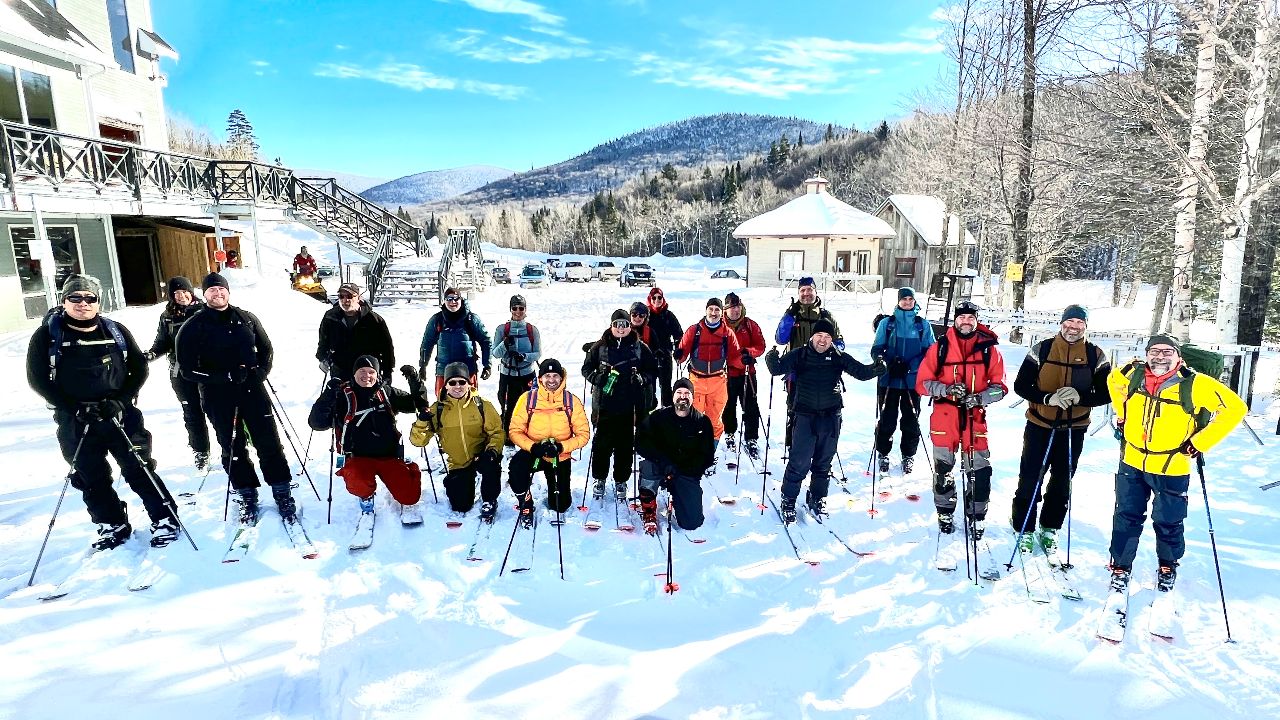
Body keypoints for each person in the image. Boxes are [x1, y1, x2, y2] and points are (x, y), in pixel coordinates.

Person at [26, 274, 182, 549]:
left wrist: (120, 401)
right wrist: (73, 408)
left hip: (119, 415)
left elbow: (139, 368)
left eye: (90, 298)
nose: (83, 303)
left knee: (139, 468)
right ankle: (112, 524)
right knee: (90, 475)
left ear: (98, 302)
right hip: (75, 419)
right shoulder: (48, 335)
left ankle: (165, 518)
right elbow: (38, 379)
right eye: (75, 297)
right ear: (64, 301)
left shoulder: (114, 331)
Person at [1106, 335, 1245, 592]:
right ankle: (1121, 565)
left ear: (1178, 356)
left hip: (1172, 465)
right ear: (1147, 353)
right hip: (1132, 460)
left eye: (1167, 352)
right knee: (1126, 516)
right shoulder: (1133, 373)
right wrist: (1123, 415)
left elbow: (1235, 409)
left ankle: (1168, 565)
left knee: (1168, 520)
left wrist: (1201, 442)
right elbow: (1113, 381)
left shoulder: (1197, 384)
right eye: (1154, 351)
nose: (1160, 356)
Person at [175, 272, 300, 526]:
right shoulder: (193, 325)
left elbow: (266, 349)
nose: (217, 294)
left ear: (228, 292)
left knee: (269, 442)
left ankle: (281, 490)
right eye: (212, 291)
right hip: (218, 395)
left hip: (253, 390)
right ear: (205, 294)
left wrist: (261, 372)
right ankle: (246, 494)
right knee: (232, 446)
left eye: (221, 290)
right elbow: (186, 369)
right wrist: (224, 377)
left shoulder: (246, 318)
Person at [1010, 304, 1110, 555]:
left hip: (1073, 428)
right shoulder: (1041, 349)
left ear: (1085, 326)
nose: (1073, 328)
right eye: (1069, 322)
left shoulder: (1096, 355)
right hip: (1039, 424)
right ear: (1062, 323)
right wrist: (1047, 399)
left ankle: (1050, 527)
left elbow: (1107, 393)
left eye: (1079, 324)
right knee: (1031, 477)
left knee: (1062, 481)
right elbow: (1021, 386)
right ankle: (1023, 526)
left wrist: (1080, 396)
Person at [765, 318, 883, 523]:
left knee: (823, 463)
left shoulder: (837, 356)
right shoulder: (800, 355)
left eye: (828, 337)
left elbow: (861, 372)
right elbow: (776, 369)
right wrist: (771, 357)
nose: (823, 340)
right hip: (804, 416)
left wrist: (877, 368)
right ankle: (789, 499)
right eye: (819, 335)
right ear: (812, 336)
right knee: (799, 462)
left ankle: (817, 497)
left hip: (831, 417)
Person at [914, 301, 1008, 541]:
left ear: (976, 320)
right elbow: (922, 383)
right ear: (955, 320)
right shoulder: (940, 348)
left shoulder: (990, 350)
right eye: (962, 317)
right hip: (945, 417)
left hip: (975, 416)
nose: (966, 321)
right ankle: (945, 512)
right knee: (943, 468)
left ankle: (976, 515)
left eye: (970, 318)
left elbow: (1001, 388)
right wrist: (946, 390)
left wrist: (980, 397)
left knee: (979, 469)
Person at [309, 355, 422, 517]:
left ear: (377, 375)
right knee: (358, 482)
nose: (366, 376)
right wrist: (328, 394)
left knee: (410, 497)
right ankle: (366, 496)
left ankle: (409, 468)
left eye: (371, 372)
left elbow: (417, 405)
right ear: (354, 373)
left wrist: (414, 380)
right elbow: (317, 423)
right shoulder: (342, 395)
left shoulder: (386, 392)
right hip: (357, 459)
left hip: (389, 457)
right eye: (362, 371)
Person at [409, 361, 504, 520]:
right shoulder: (437, 409)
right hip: (459, 462)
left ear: (469, 383)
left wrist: (492, 450)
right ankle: (462, 482)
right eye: (452, 382)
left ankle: (489, 499)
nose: (457, 386)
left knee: (491, 466)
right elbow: (418, 441)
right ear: (445, 385)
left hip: (482, 456)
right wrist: (421, 422)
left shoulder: (482, 405)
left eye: (462, 382)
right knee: (460, 505)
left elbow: (497, 433)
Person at [582, 308, 658, 500]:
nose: (621, 328)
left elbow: (651, 370)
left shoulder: (640, 347)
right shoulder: (600, 347)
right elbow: (586, 368)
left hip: (630, 406)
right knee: (601, 445)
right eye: (617, 324)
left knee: (625, 446)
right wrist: (597, 378)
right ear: (612, 326)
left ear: (629, 326)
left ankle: (621, 480)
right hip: (605, 406)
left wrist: (642, 379)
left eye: (624, 324)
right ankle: (599, 478)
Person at [506, 359, 591, 523]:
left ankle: (557, 492)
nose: (551, 380)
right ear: (540, 379)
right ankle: (526, 501)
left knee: (561, 505)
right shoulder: (527, 399)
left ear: (562, 378)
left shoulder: (571, 401)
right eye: (547, 376)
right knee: (516, 470)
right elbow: (514, 431)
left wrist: (561, 447)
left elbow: (583, 435)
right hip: (534, 452)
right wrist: (532, 447)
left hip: (559, 456)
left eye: (555, 376)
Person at [145, 276, 212, 471]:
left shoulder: (205, 310)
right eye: (176, 293)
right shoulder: (167, 316)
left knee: (219, 409)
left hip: (208, 369)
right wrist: (151, 354)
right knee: (192, 412)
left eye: (184, 291)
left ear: (191, 292)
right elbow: (162, 342)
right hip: (180, 372)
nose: (181, 296)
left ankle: (233, 446)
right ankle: (201, 451)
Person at [635, 378, 715, 534]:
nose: (683, 396)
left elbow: (706, 456)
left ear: (693, 396)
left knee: (692, 523)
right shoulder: (659, 416)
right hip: (661, 466)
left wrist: (684, 469)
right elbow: (641, 441)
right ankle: (649, 509)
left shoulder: (702, 422)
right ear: (673, 396)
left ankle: (679, 498)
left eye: (687, 393)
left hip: (685, 473)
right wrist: (662, 461)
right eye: (679, 392)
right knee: (647, 466)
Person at [674, 297, 745, 472]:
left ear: (721, 313)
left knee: (714, 421)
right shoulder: (694, 330)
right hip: (695, 381)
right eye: (711, 309)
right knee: (693, 419)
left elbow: (735, 357)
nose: (713, 313)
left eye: (717, 310)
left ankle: (709, 454)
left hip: (718, 381)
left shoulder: (727, 333)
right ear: (706, 310)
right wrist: (679, 354)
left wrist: (746, 359)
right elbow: (682, 354)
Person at [870, 287, 936, 475]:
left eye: (910, 299)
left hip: (912, 380)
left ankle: (908, 455)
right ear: (898, 301)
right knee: (887, 419)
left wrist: (911, 365)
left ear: (915, 302)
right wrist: (886, 362)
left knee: (911, 419)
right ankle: (883, 452)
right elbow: (877, 349)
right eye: (903, 299)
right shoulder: (887, 324)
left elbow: (929, 353)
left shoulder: (922, 325)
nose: (907, 302)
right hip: (889, 379)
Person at [774, 276, 843, 448]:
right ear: (798, 293)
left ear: (815, 291)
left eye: (809, 290)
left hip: (822, 374)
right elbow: (780, 339)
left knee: (823, 412)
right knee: (795, 411)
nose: (806, 294)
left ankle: (820, 447)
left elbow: (840, 343)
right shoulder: (792, 315)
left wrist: (828, 348)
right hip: (796, 373)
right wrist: (789, 316)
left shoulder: (827, 316)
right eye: (802, 291)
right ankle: (793, 447)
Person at [419, 287, 492, 398]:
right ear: (444, 300)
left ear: (461, 300)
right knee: (443, 405)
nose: (452, 302)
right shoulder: (437, 320)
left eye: (455, 298)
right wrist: (423, 365)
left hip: (467, 371)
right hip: (444, 371)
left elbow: (486, 341)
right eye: (449, 299)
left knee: (469, 404)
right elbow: (427, 343)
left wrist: (487, 365)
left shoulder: (471, 319)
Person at [316, 282, 395, 382]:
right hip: (340, 369)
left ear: (358, 298)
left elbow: (387, 348)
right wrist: (322, 358)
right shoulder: (330, 317)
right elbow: (323, 341)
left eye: (349, 296)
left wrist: (388, 372)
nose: (345, 300)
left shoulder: (373, 319)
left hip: (366, 370)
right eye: (341, 296)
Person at [491, 294, 541, 448]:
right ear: (510, 309)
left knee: (530, 405)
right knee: (508, 406)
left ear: (525, 310)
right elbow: (495, 353)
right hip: (507, 374)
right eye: (515, 308)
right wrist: (505, 344)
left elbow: (538, 353)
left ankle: (530, 433)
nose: (518, 311)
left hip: (527, 374)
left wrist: (524, 356)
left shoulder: (532, 330)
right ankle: (508, 438)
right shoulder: (502, 329)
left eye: (521, 308)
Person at [721, 292, 766, 460]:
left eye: (738, 307)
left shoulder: (750, 325)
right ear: (725, 310)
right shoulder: (721, 326)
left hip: (748, 372)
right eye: (732, 308)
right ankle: (730, 432)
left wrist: (750, 353)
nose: (735, 311)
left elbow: (760, 345)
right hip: (727, 372)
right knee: (728, 405)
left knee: (751, 406)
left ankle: (751, 437)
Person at [644, 287, 684, 407]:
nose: (657, 300)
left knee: (666, 386)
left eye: (659, 297)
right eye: (654, 298)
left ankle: (666, 413)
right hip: (649, 356)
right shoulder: (645, 315)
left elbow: (679, 334)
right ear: (650, 299)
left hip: (665, 354)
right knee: (650, 386)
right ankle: (650, 414)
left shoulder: (668, 315)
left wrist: (678, 348)